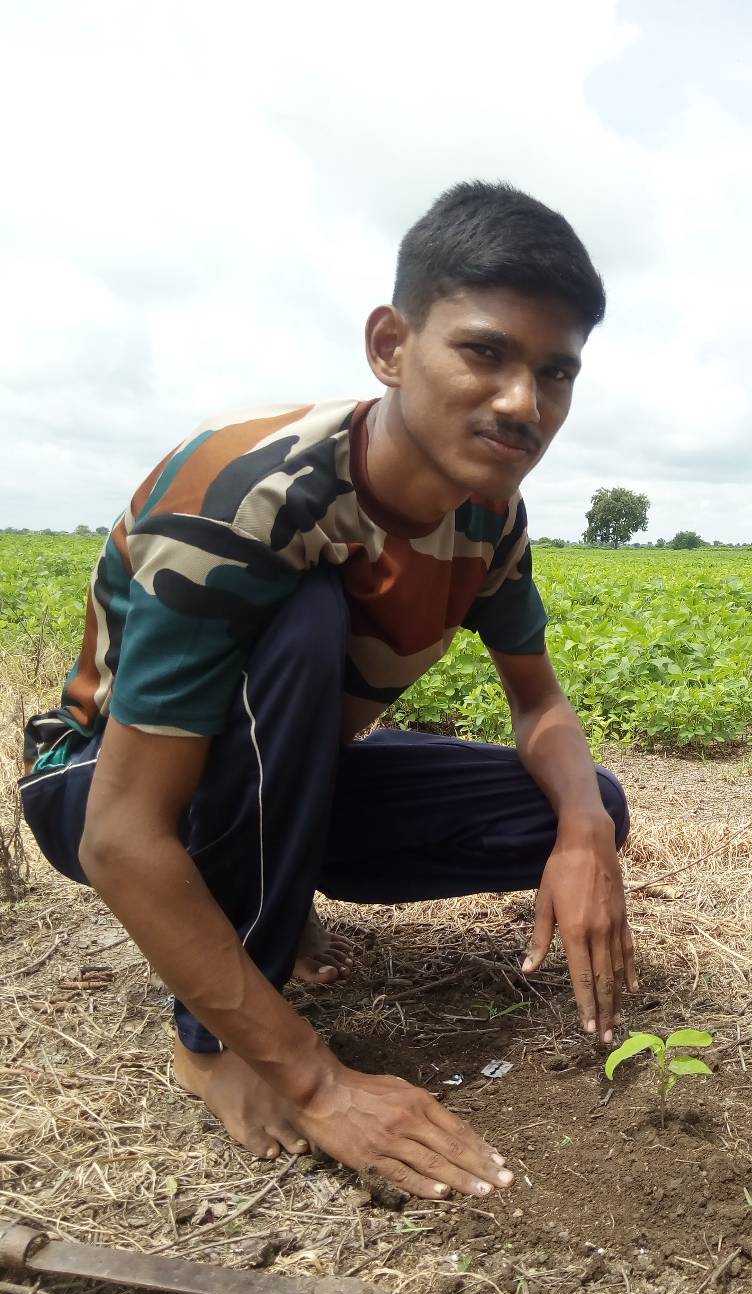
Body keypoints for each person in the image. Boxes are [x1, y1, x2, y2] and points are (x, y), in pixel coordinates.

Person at [19, 181, 635, 1201]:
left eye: (554, 372)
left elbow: (541, 706)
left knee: (592, 801)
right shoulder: (242, 499)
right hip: (98, 784)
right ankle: (214, 1034)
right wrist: (313, 1082)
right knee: (307, 617)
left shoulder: (488, 518)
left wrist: (581, 832)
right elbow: (121, 834)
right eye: (485, 352)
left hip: (281, 771)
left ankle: (272, 886)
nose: (524, 403)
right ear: (391, 346)